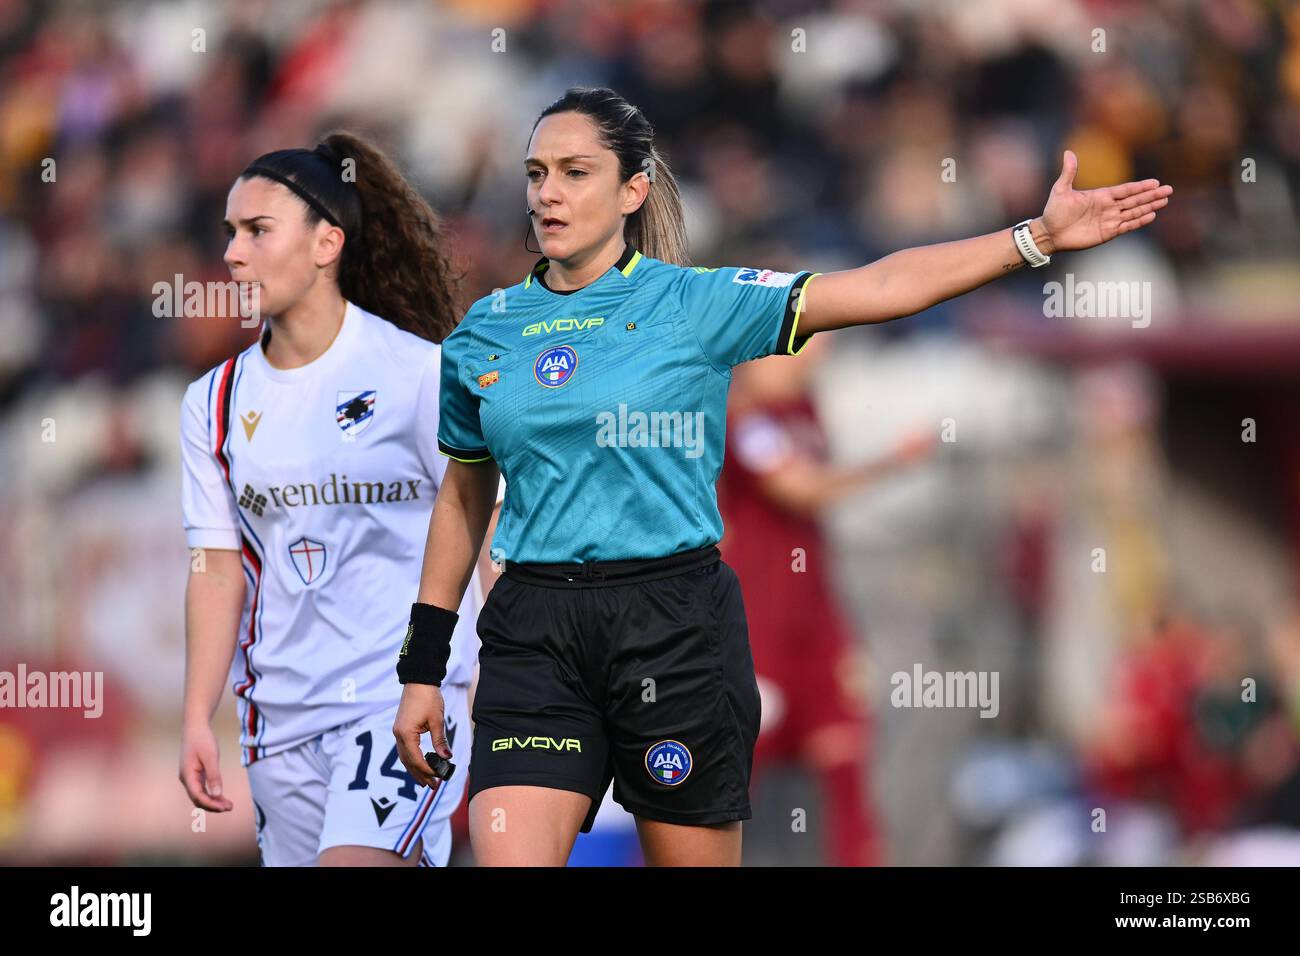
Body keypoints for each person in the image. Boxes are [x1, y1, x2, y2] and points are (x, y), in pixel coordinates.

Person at [392, 86, 1173, 866]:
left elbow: (875, 287)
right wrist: (423, 669)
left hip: (671, 627)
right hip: (536, 635)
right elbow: (462, 497)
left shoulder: (694, 304)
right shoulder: (486, 332)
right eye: (536, 173)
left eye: (574, 171)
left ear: (633, 189)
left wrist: (1033, 238)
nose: (547, 193)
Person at [178, 131, 500, 867]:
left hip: (400, 702)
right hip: (278, 720)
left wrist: (502, 667)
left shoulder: (421, 374)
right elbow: (216, 569)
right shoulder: (214, 402)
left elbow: (484, 523)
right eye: (230, 232)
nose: (233, 252)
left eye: (258, 230)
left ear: (328, 243)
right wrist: (198, 716)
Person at [720, 337, 933, 866]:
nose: (817, 356)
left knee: (846, 757)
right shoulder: (740, 416)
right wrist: (893, 463)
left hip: (816, 618)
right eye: (805, 345)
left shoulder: (805, 409)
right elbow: (801, 489)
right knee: (730, 773)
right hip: (756, 624)